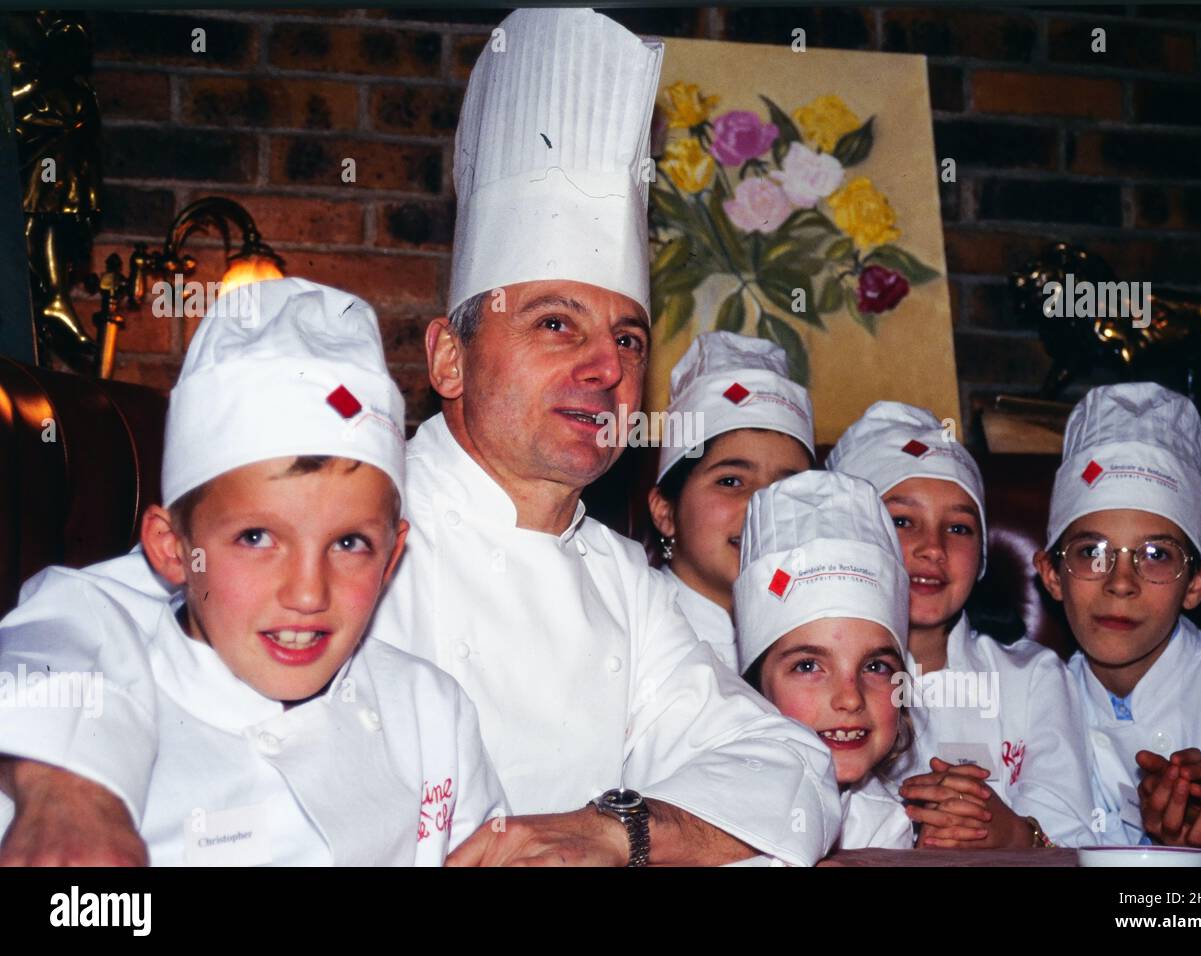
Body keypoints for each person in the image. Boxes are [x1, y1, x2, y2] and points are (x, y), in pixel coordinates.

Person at [0, 7, 840, 868]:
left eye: (628, 339)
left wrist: (610, 831)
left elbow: (790, 768)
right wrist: (67, 785)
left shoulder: (624, 582)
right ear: (448, 358)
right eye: (556, 324)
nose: (605, 368)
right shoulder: (349, 510)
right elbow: (86, 620)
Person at [0, 278, 508, 864]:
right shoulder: (74, 740)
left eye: (349, 543)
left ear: (393, 555)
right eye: (257, 537)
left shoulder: (432, 712)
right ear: (171, 547)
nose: (308, 593)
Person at [1032, 382, 1201, 850]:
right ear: (1052, 575)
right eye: (1091, 552)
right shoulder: (1032, 699)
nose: (1120, 582)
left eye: (1156, 555)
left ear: (1197, 583)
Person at [828, 401, 1094, 849]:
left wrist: (1011, 832)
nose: (933, 548)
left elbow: (1072, 835)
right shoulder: (811, 681)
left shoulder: (1034, 678)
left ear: (983, 555)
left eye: (958, 528)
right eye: (902, 521)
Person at [734, 470, 915, 850]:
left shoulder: (885, 825)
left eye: (876, 667)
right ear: (754, 689)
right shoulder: (707, 809)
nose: (850, 698)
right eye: (808, 666)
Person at [647, 332, 815, 670]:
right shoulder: (635, 629)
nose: (763, 507)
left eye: (787, 486)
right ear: (665, 511)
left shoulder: (825, 635)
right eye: (731, 481)